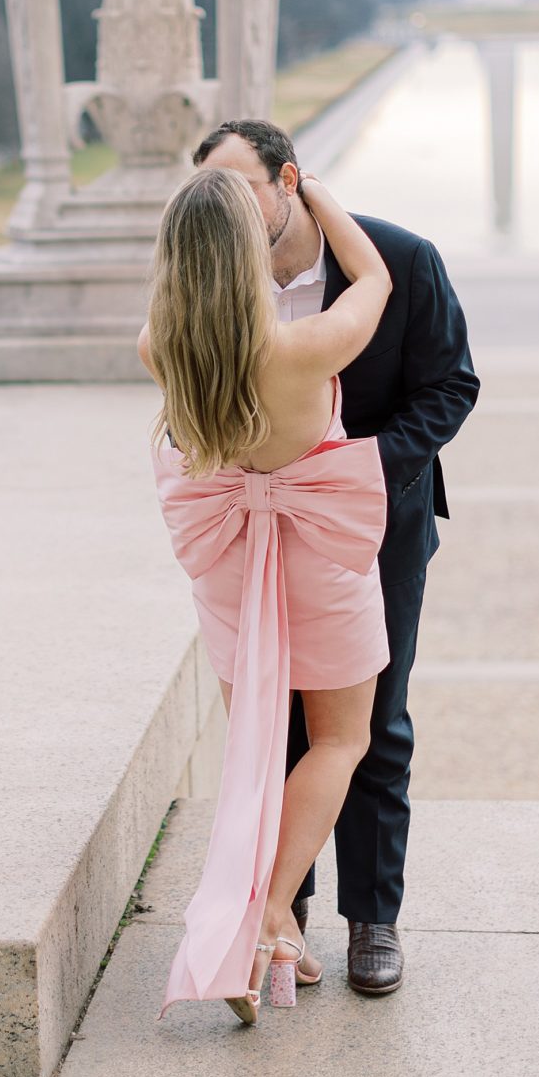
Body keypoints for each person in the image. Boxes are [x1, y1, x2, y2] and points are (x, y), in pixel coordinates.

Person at [193, 119, 480, 998]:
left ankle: (373, 918)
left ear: (288, 181)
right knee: (274, 729)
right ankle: (287, 908)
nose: (225, 210)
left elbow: (450, 387)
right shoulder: (211, 273)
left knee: (374, 724)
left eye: (241, 188)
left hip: (374, 526)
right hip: (256, 532)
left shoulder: (398, 255)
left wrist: (361, 475)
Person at [140, 162, 394, 1023]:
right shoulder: (303, 345)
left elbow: (180, 316)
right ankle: (268, 915)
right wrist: (315, 193)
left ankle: (262, 926)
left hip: (226, 557)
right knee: (339, 738)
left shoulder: (157, 348)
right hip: (312, 555)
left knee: (255, 746)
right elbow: (376, 279)